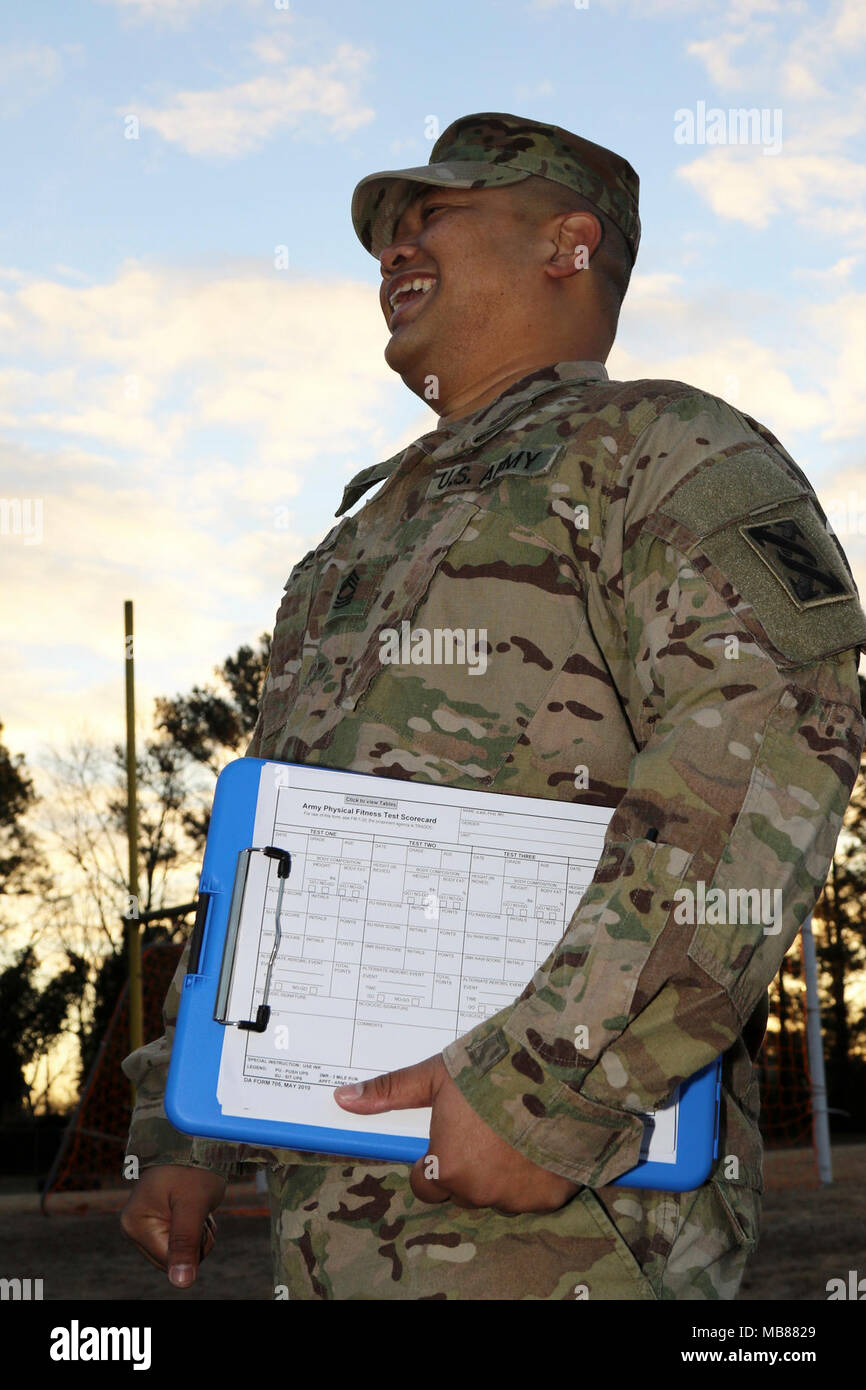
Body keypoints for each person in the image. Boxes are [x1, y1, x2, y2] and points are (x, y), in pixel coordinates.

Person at [120, 112, 866, 1301]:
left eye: (434, 216)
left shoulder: (658, 449)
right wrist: (184, 1128)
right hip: (332, 1241)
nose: (392, 252)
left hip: (572, 1235)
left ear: (567, 246)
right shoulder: (351, 543)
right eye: (386, 236)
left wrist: (543, 1088)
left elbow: (768, 742)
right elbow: (268, 857)